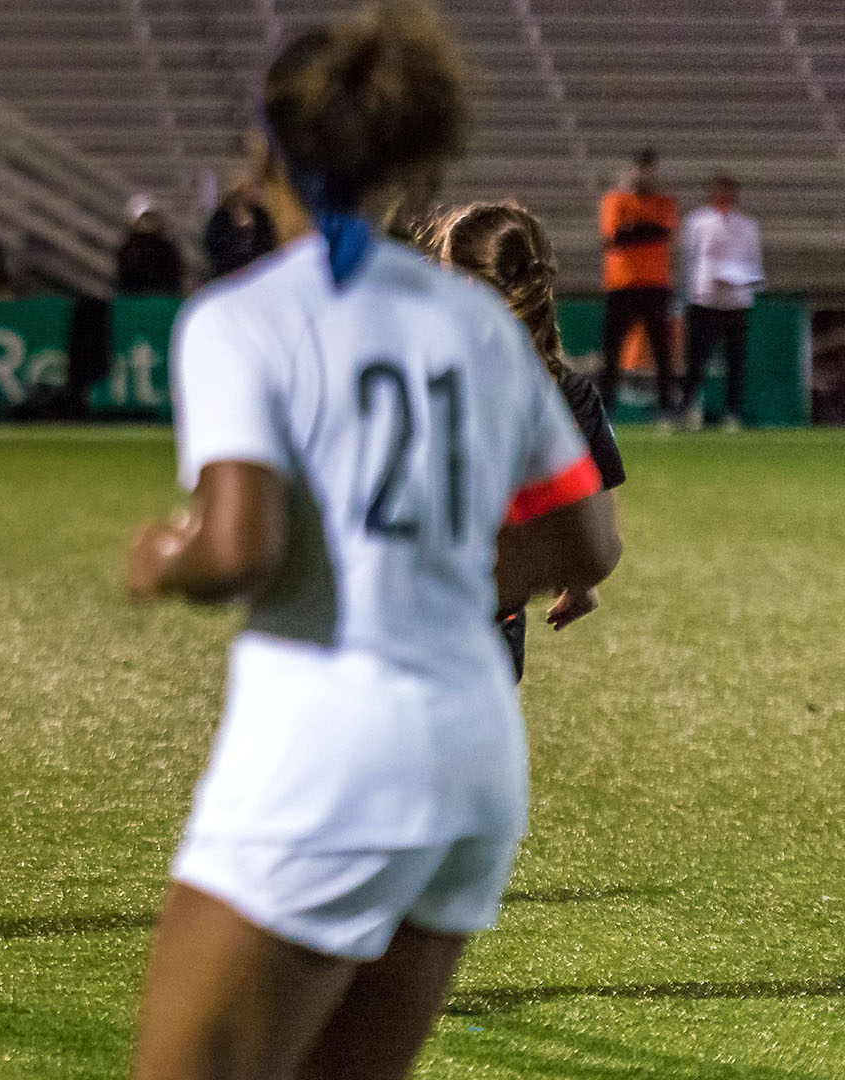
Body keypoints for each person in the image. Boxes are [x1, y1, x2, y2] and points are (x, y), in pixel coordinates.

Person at [122, 4, 621, 1077]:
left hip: (329, 752)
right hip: (474, 756)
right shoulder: (482, 325)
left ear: (263, 155)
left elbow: (240, 551)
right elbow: (588, 542)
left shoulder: (242, 318)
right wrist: (439, 592)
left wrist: (164, 561)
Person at [421, 201, 628, 681]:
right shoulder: (565, 394)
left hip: (407, 619)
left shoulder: (417, 376)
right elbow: (601, 548)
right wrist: (575, 583)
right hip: (496, 625)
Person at [599, 147, 679, 419]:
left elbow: (662, 231)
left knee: (661, 351)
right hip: (622, 284)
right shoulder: (616, 200)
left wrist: (634, 228)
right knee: (612, 350)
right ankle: (605, 408)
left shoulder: (663, 201)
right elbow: (614, 236)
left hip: (655, 284)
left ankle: (666, 408)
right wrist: (639, 229)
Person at [680, 174, 763, 431]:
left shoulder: (747, 225)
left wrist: (747, 279)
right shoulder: (698, 221)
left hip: (736, 301)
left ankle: (732, 412)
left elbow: (753, 260)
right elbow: (689, 259)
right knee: (696, 359)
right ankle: (688, 409)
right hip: (705, 299)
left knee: (734, 361)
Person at [202, 167, 277, 280]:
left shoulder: (260, 215)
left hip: (257, 270)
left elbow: (268, 239)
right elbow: (214, 243)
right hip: (228, 272)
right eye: (244, 190)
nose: (248, 193)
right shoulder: (221, 217)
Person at [116, 195, 186, 295]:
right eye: (144, 219)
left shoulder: (166, 249)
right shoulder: (128, 250)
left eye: (151, 218)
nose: (148, 223)